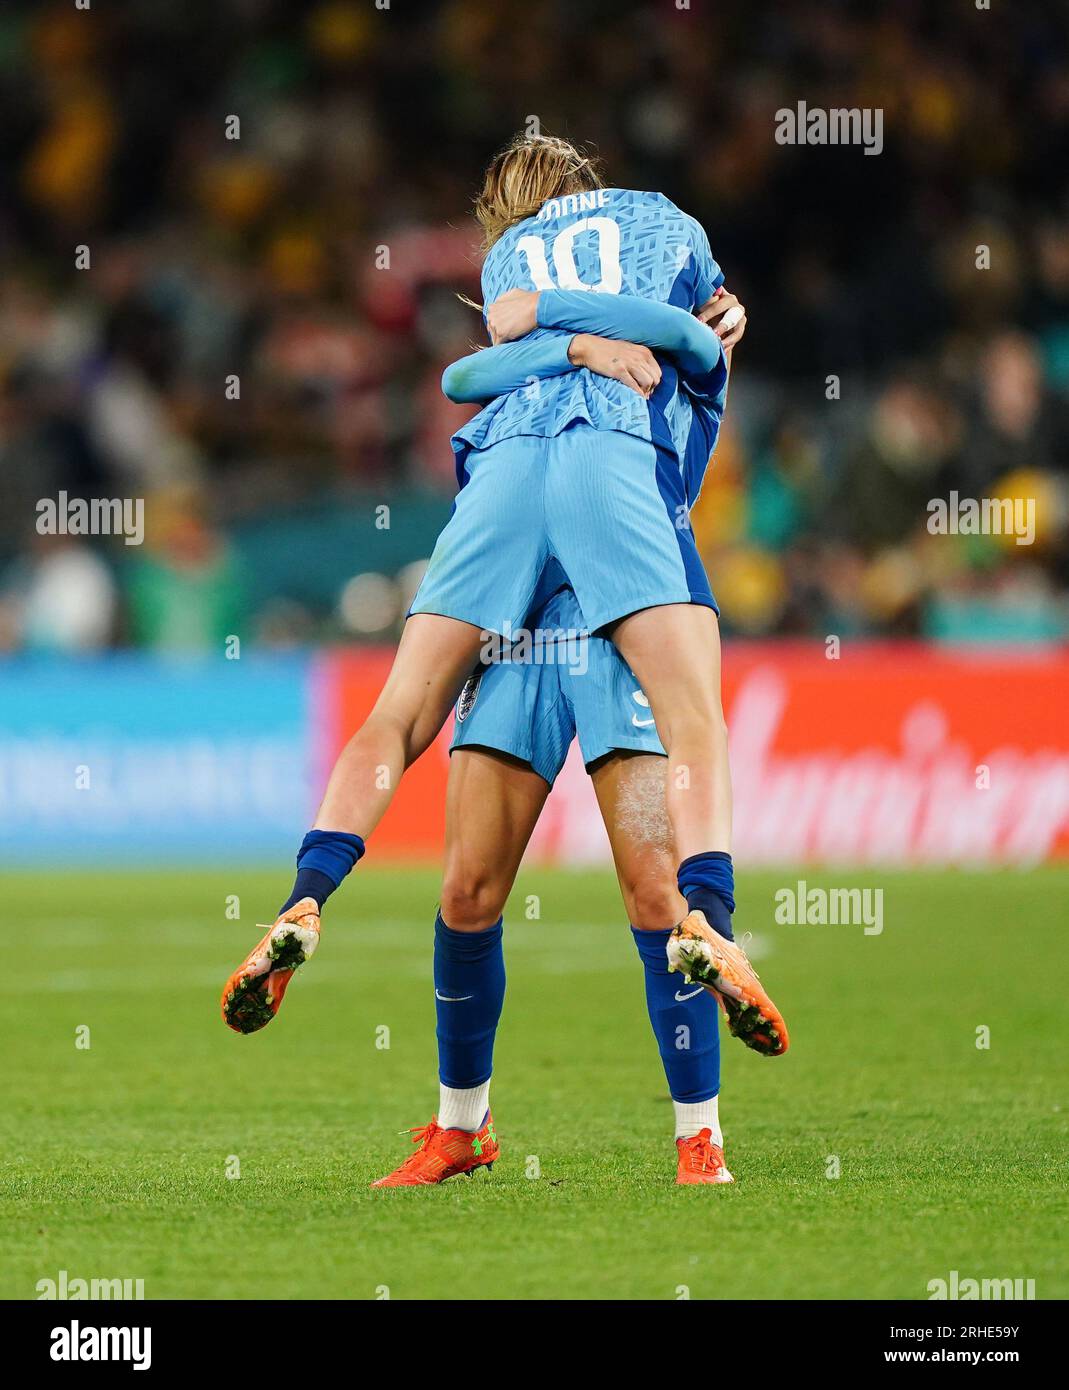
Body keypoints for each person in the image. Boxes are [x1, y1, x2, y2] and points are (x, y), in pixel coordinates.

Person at [221, 134, 785, 1070]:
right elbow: (696, 337)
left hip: (505, 488)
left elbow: (463, 376)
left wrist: (551, 324)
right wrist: (664, 326)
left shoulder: (505, 264)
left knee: (405, 727)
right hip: (611, 494)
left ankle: (307, 893)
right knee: (693, 730)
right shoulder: (670, 238)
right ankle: (714, 923)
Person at [370, 291, 784, 1190]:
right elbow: (463, 378)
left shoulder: (667, 342)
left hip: (614, 622)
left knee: (653, 891)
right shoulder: (520, 372)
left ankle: (698, 1139)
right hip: (515, 629)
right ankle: (460, 1128)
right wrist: (570, 345)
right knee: (467, 888)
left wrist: (653, 330)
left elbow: (695, 363)